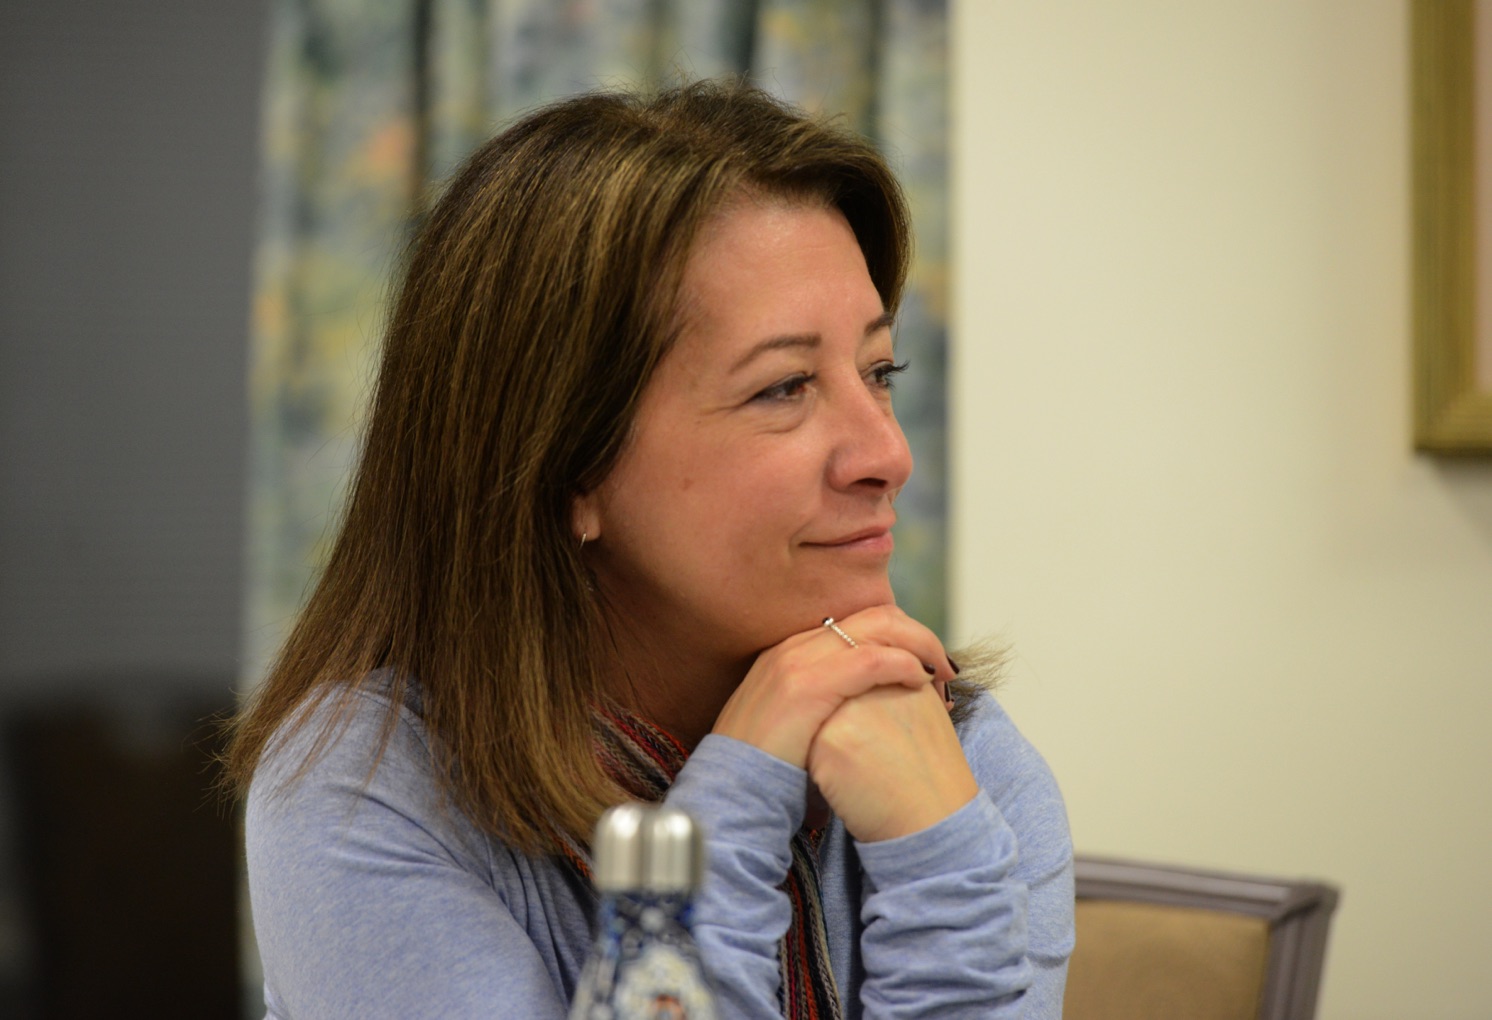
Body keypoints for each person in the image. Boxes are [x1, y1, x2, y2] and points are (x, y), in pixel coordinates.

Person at [227, 79, 1074, 1019]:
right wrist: (737, 798)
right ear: (566, 464)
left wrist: (935, 852)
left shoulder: (953, 766)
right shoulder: (366, 791)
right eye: (784, 388)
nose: (888, 454)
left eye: (879, 372)